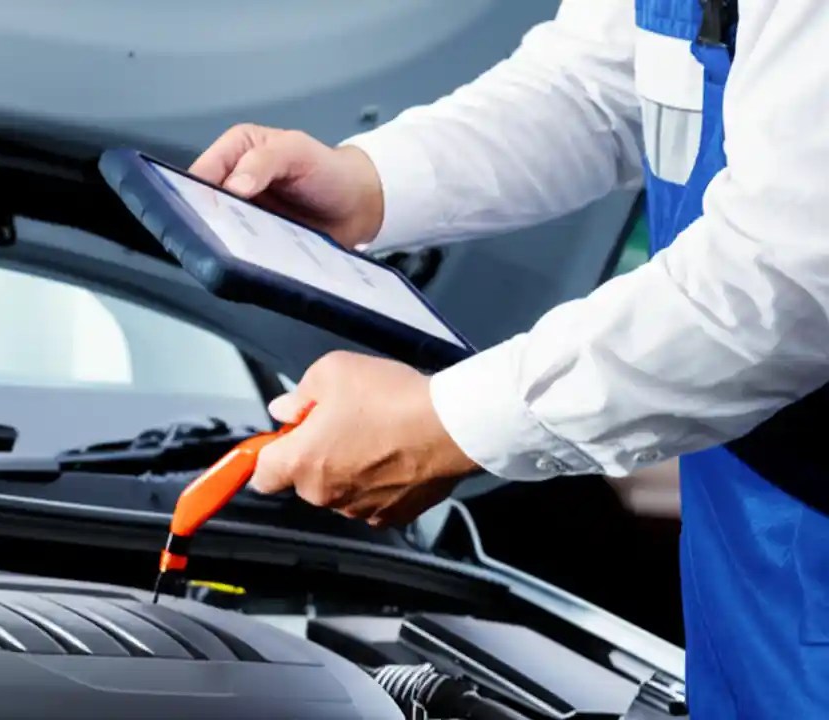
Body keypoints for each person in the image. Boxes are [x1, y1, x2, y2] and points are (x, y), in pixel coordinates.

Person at [188, 0, 828, 717]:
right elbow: (598, 84)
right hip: (746, 544)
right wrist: (370, 180)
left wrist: (447, 424)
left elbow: (788, 278)